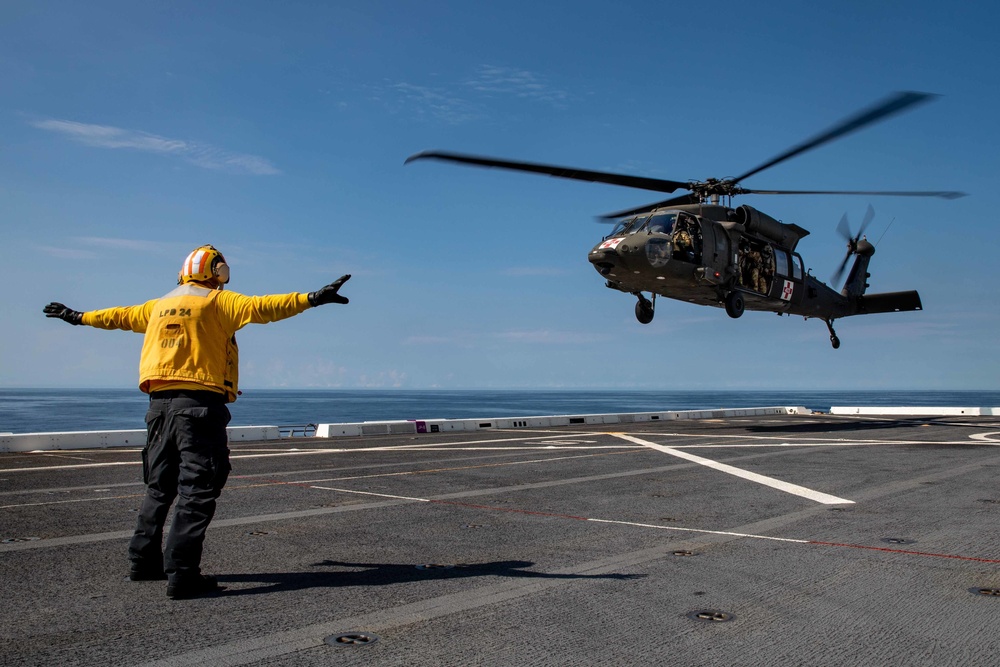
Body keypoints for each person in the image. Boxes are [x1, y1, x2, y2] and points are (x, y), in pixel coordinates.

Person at [43, 244, 351, 599]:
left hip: (158, 408)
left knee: (159, 487)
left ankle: (142, 563)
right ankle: (183, 574)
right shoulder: (218, 302)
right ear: (218, 272)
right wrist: (312, 297)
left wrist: (76, 315)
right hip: (200, 407)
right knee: (197, 489)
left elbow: (115, 316)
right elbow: (266, 306)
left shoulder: (157, 307)